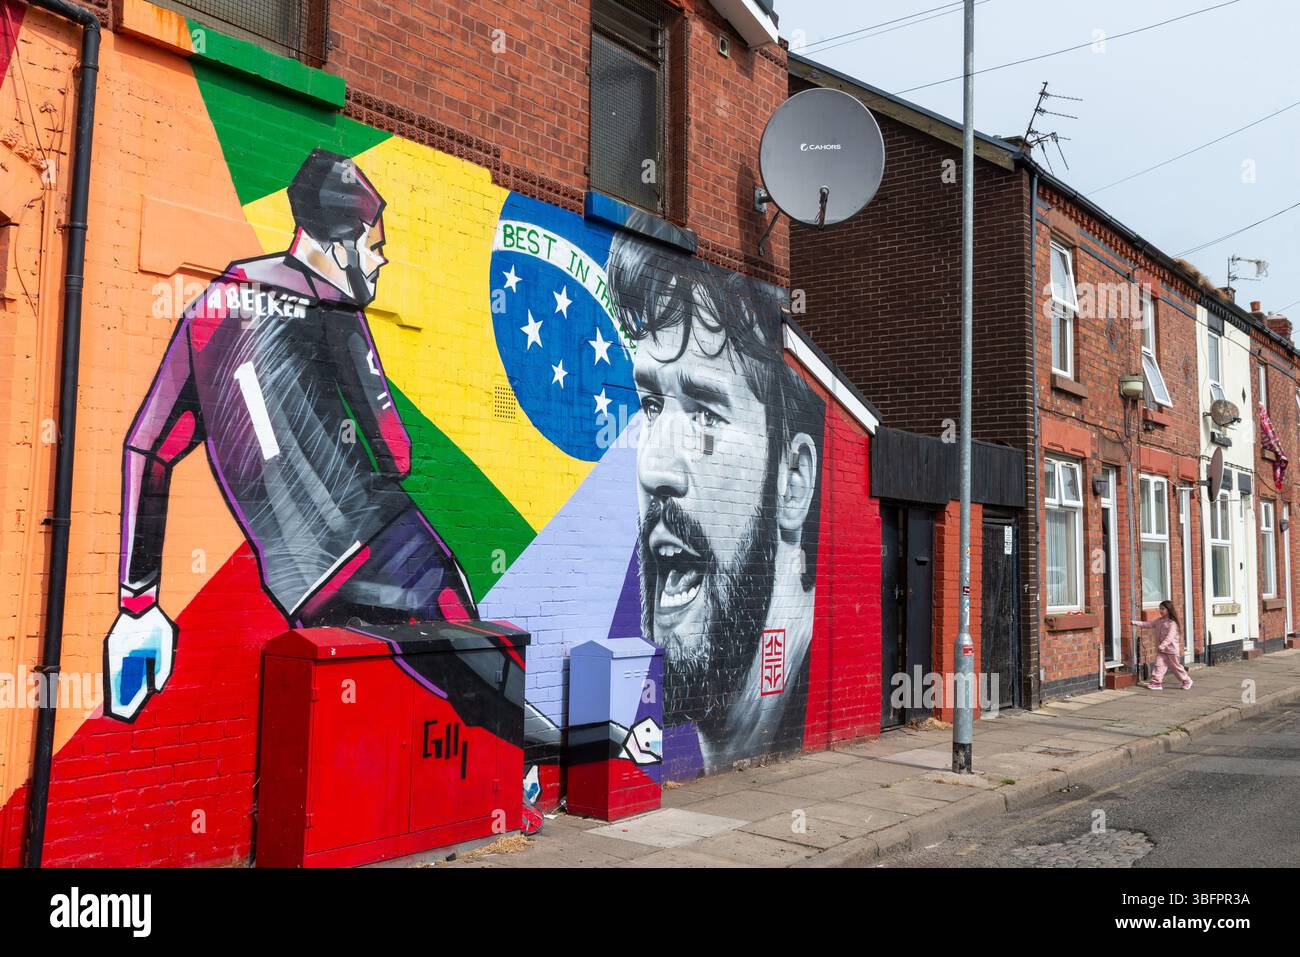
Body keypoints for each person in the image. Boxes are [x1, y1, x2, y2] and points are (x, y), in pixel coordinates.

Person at [103, 149, 477, 722]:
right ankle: (558, 764)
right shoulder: (336, 310)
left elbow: (148, 449)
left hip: (303, 588)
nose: (381, 265)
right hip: (393, 554)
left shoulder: (209, 306)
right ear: (339, 244)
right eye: (375, 248)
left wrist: (138, 604)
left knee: (366, 716)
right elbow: (395, 453)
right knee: (483, 689)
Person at [607, 233, 825, 772]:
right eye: (652, 405)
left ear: (792, 480)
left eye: (705, 415)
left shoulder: (817, 693)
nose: (653, 467)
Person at [1131, 601, 1193, 691]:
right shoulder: (1159, 621)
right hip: (1162, 650)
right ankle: (1156, 683)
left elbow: (1170, 637)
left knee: (1176, 668)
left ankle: (1187, 680)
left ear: (1168, 610)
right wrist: (1135, 623)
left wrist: (1163, 645)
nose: (1160, 610)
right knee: (1158, 665)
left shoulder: (1172, 624)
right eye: (1160, 608)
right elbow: (1149, 624)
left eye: (1162, 609)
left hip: (1171, 650)